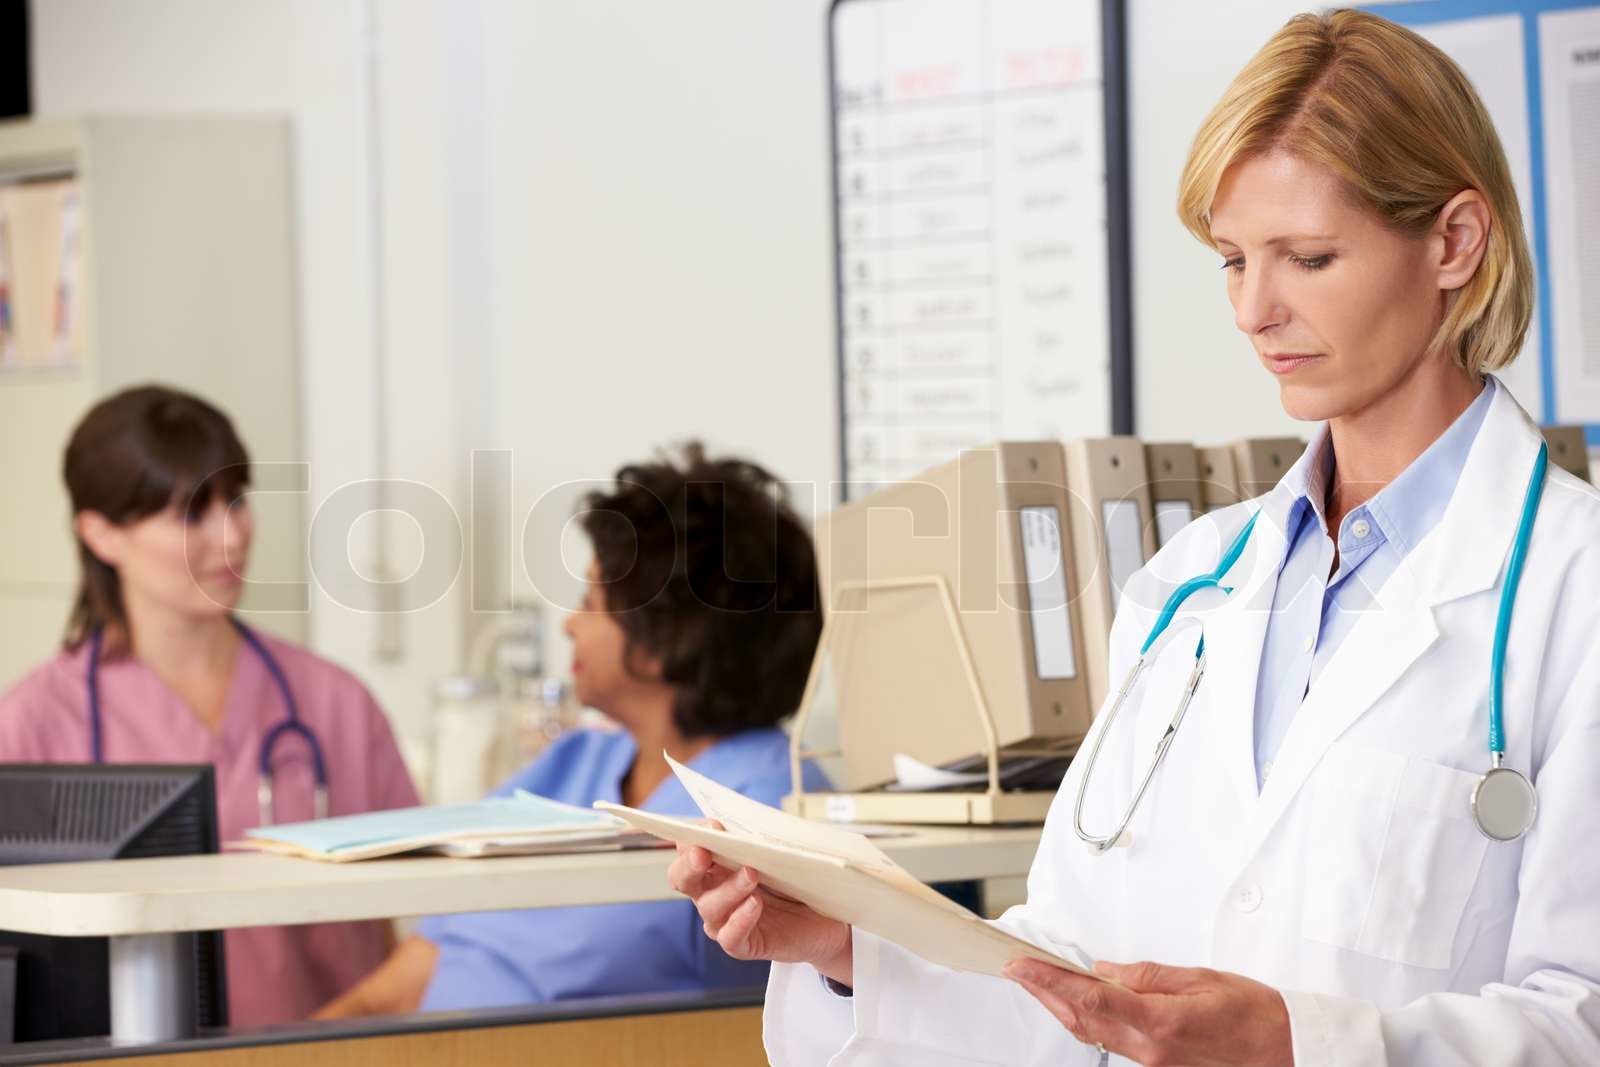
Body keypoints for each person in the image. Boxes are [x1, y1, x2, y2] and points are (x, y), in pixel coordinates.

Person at [669, 11, 1600, 1065]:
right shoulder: (1186, 587)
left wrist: (1306, 1047)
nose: (1254, 309)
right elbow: (1075, 973)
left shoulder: (1576, 595)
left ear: (1453, 241)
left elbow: (1583, 1015)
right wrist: (855, 947)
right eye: (1232, 260)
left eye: (1306, 257)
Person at [315, 443, 828, 1017]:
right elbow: (422, 960)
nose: (569, 625)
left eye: (592, 601)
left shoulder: (774, 803)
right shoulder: (575, 761)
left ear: (667, 640)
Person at [0, 385, 420, 1027]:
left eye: (238, 501)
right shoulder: (33, 723)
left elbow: (418, 924)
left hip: (333, 1053)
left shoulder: (334, 704)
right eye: (190, 514)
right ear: (101, 534)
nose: (231, 534)